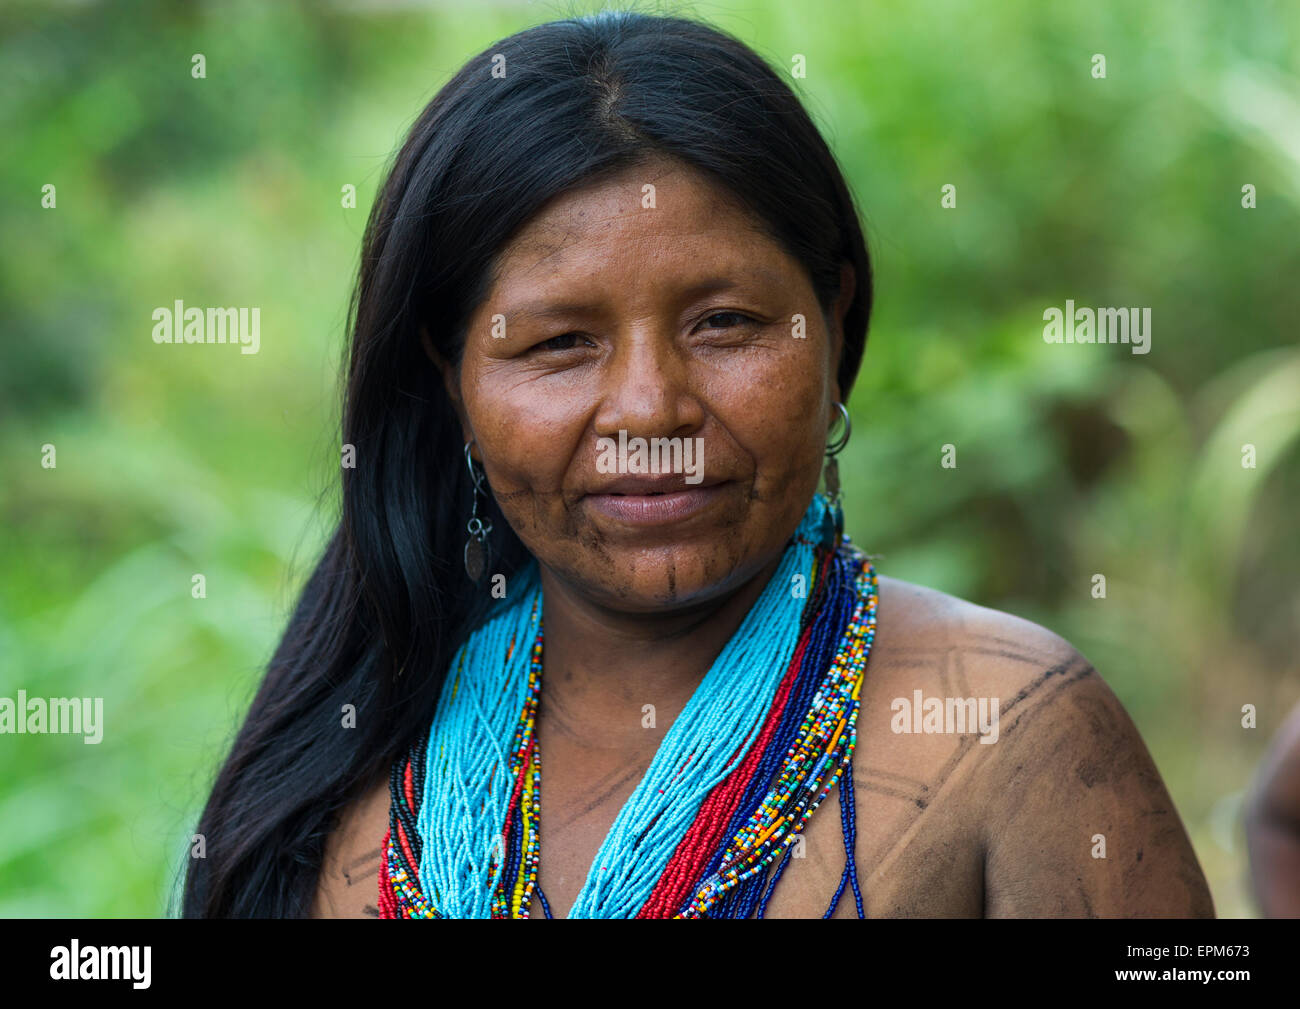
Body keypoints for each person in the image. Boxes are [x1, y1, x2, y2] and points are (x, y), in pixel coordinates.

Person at [182, 10, 1213, 918]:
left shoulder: (1006, 732)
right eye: (558, 344)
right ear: (447, 375)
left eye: (725, 323)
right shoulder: (350, 769)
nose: (649, 408)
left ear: (832, 322)